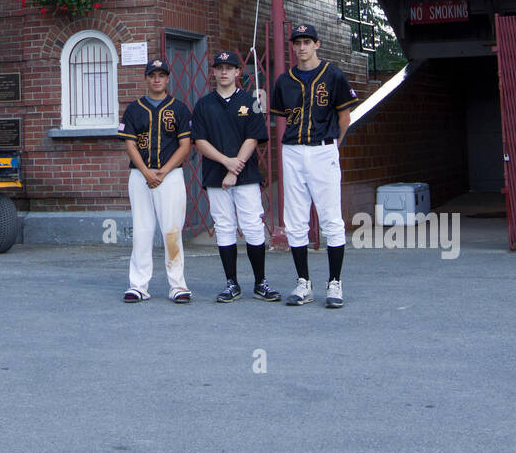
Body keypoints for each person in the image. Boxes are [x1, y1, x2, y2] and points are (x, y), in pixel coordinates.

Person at [270, 24, 360, 308]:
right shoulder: (285, 80)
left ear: (317, 44)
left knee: (331, 218)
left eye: (307, 41)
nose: (302, 47)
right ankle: (303, 283)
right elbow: (281, 116)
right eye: (297, 42)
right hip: (294, 150)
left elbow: (344, 118)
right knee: (295, 220)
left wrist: (333, 145)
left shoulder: (333, 75)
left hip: (323, 150)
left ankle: (334, 283)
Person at [190, 50, 279, 304]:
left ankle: (261, 282)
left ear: (238, 72)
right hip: (216, 175)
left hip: (246, 175)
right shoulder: (204, 104)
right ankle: (231, 283)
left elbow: (253, 138)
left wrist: (233, 169)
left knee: (252, 225)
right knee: (224, 227)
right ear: (214, 72)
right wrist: (226, 163)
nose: (225, 71)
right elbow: (199, 141)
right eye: (220, 67)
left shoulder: (250, 100)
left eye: (230, 67)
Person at [117, 58, 193, 303]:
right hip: (140, 175)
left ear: (168, 78)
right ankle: (138, 285)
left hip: (170, 175)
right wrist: (146, 171)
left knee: (172, 231)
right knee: (142, 230)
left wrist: (162, 171)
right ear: (146, 78)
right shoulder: (134, 108)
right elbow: (129, 144)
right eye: (152, 75)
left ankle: (178, 285)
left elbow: (185, 145)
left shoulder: (180, 108)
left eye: (161, 75)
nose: (157, 79)